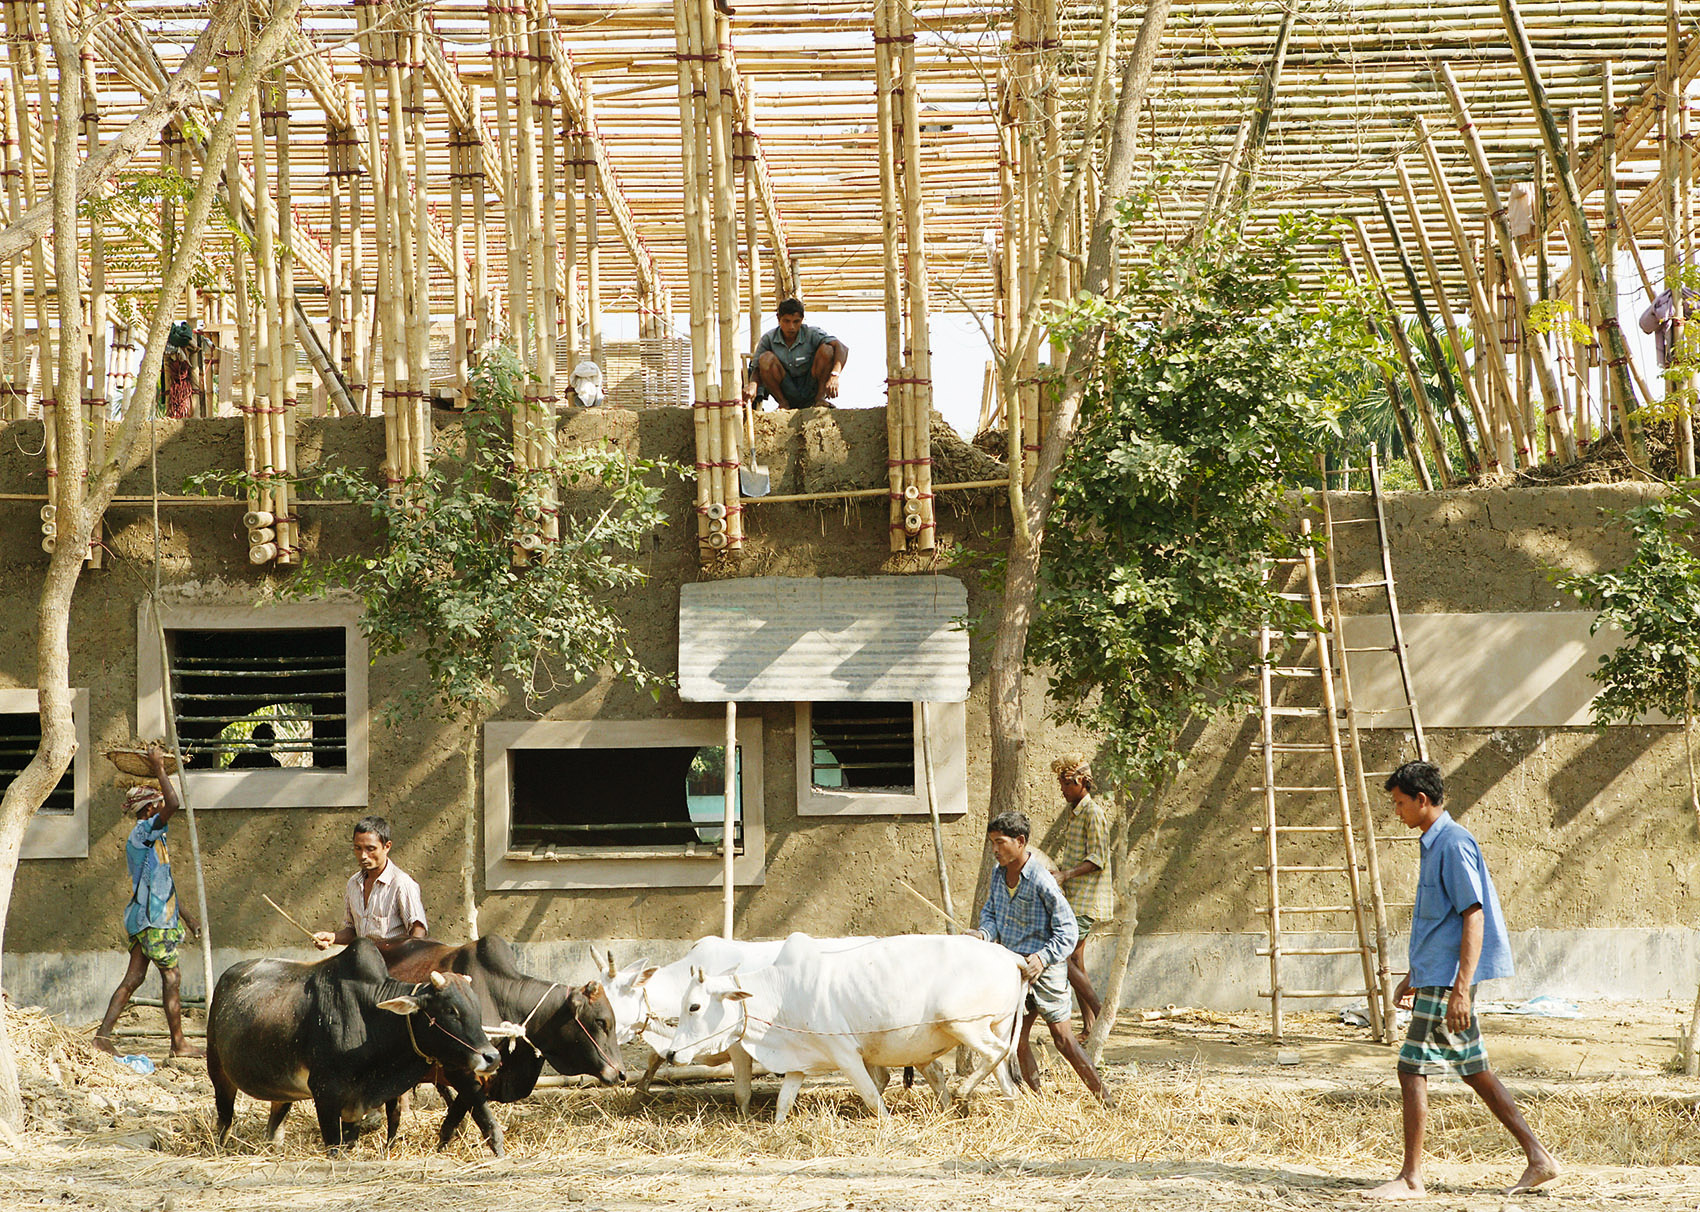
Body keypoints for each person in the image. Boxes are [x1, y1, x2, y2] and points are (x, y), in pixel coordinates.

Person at [1362, 761, 1559, 1200]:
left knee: (1411, 1067)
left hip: (1450, 982)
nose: (1396, 811)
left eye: (1399, 803)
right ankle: (1538, 1157)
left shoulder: (1452, 844)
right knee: (1474, 1071)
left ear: (1422, 800)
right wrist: (1413, 974)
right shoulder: (1433, 844)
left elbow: (1474, 916)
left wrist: (1461, 990)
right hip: (1435, 978)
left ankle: (1412, 1179)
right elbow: (1441, 923)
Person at [975, 809, 1111, 1106]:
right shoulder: (999, 877)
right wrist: (984, 934)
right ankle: (1039, 1104)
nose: (995, 850)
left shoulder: (1040, 880)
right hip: (1015, 970)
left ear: (1020, 842)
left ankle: (1106, 1100)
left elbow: (1068, 930)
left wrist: (1043, 957)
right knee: (1017, 1042)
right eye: (992, 843)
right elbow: (991, 914)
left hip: (1046, 971)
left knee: (1064, 1040)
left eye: (1000, 842)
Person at [93, 743, 203, 1059]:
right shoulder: (143, 832)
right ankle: (179, 1044)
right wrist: (157, 766)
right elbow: (175, 802)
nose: (163, 809)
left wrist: (187, 917)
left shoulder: (153, 838)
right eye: (158, 805)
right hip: (153, 920)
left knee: (134, 977)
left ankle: (102, 1037)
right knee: (172, 976)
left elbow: (163, 884)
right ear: (151, 809)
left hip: (148, 916)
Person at [1051, 752, 1111, 1040]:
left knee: (1070, 959)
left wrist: (1065, 875)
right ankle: (1090, 1026)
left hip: (1087, 899)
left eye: (1066, 784)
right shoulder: (1076, 814)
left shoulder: (1093, 814)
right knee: (1076, 961)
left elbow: (1097, 859)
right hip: (1074, 899)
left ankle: (1100, 1018)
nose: (1062, 790)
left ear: (1081, 782)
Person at [312, 815, 429, 949]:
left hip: (392, 965)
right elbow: (353, 931)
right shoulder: (354, 883)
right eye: (358, 848)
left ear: (387, 847)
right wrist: (332, 937)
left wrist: (406, 961)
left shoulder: (401, 884)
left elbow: (419, 931)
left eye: (370, 849)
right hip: (364, 962)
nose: (363, 856)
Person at [742, 298, 848, 410]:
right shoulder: (769, 338)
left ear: (802, 320)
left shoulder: (812, 333)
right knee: (765, 359)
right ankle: (783, 404)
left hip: (811, 387)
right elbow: (756, 368)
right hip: (786, 389)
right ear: (778, 318)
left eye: (796, 321)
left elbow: (842, 348)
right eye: (786, 321)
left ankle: (819, 400)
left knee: (827, 350)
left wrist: (834, 375)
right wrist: (753, 384)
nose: (791, 327)